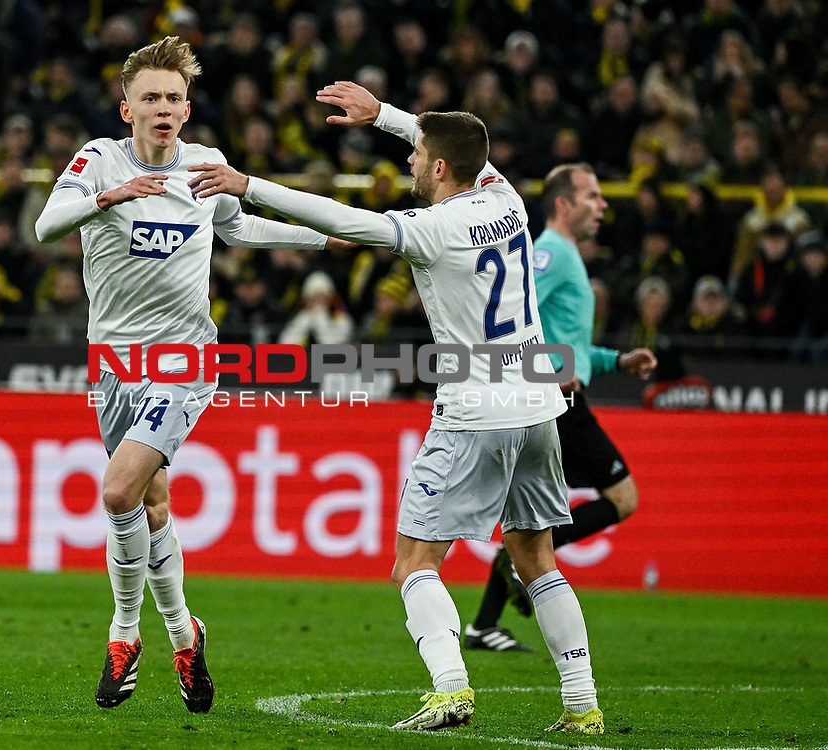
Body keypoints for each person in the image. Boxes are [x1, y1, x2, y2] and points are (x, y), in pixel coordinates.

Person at [191, 89, 604, 735]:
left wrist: (247, 184)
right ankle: (582, 705)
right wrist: (382, 113)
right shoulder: (505, 198)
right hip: (536, 405)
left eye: (417, 153)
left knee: (413, 564)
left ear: (440, 167)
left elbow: (341, 218)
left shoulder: (432, 230)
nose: (411, 158)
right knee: (535, 557)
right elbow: (458, 141)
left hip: (475, 408)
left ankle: (449, 690)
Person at [33, 36, 337, 714]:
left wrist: (323, 236)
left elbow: (243, 230)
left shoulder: (206, 166)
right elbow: (44, 226)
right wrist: (107, 198)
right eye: (151, 98)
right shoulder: (98, 160)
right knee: (151, 503)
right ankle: (184, 633)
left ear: (187, 108)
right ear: (127, 108)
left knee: (116, 492)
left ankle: (122, 634)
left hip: (186, 358)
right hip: (113, 362)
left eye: (173, 98)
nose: (163, 108)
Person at [465, 161, 657, 652]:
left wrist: (618, 359)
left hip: (558, 396)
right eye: (593, 195)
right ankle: (508, 576)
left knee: (531, 517)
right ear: (564, 204)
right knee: (623, 498)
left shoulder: (564, 255)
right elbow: (505, 320)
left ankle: (484, 623)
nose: (603, 204)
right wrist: (546, 370)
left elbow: (566, 344)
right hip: (558, 403)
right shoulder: (550, 254)